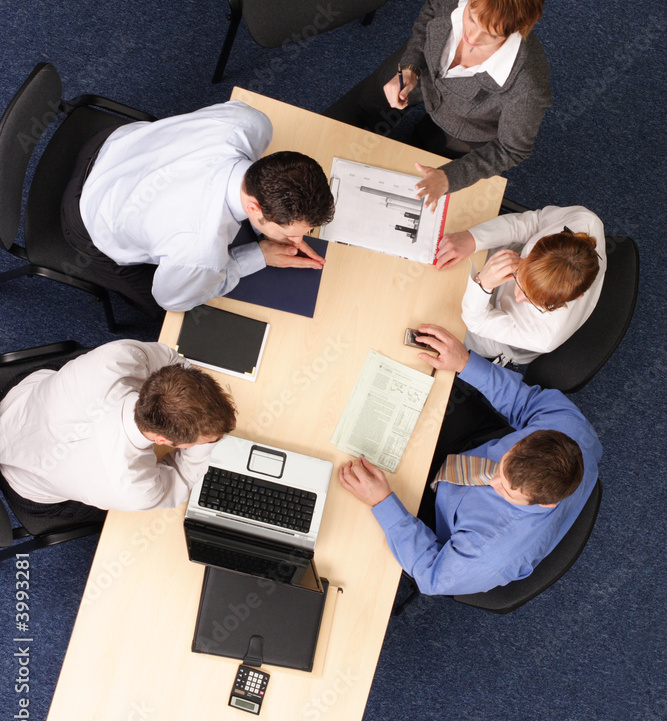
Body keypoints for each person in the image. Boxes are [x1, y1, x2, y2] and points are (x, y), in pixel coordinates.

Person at [338, 326, 601, 596]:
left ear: (547, 504)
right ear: (529, 439)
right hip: (477, 445)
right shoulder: (568, 428)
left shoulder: (489, 552)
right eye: (503, 466)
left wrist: (382, 501)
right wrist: (465, 362)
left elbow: (432, 576)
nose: (492, 480)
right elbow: (523, 402)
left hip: (442, 517)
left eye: (506, 489)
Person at [61, 100, 335, 315]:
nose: (297, 240)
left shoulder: (252, 124)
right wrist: (258, 255)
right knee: (168, 313)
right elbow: (170, 300)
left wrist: (274, 223)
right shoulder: (199, 253)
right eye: (294, 232)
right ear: (254, 208)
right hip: (88, 215)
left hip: (111, 144)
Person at [325, 0, 551, 205]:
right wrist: (410, 65)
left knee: (423, 162)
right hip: (424, 62)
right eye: (471, 18)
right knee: (363, 105)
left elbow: (512, 149)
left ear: (521, 28)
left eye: (491, 34)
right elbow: (430, 13)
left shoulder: (527, 88)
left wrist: (449, 178)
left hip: (466, 123)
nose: (472, 38)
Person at [0, 340, 237, 519]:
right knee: (107, 517)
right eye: (198, 441)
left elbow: (176, 364)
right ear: (161, 439)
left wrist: (199, 417)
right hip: (27, 485)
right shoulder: (134, 489)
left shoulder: (119, 358)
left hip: (20, 402)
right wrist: (209, 442)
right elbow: (182, 480)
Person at [436, 205, 606, 364]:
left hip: (496, 333)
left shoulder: (543, 336)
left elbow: (478, 322)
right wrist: (473, 239)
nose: (517, 297)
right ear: (538, 246)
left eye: (536, 303)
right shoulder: (584, 220)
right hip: (502, 263)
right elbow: (534, 223)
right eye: (520, 277)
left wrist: (482, 284)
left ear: (577, 297)